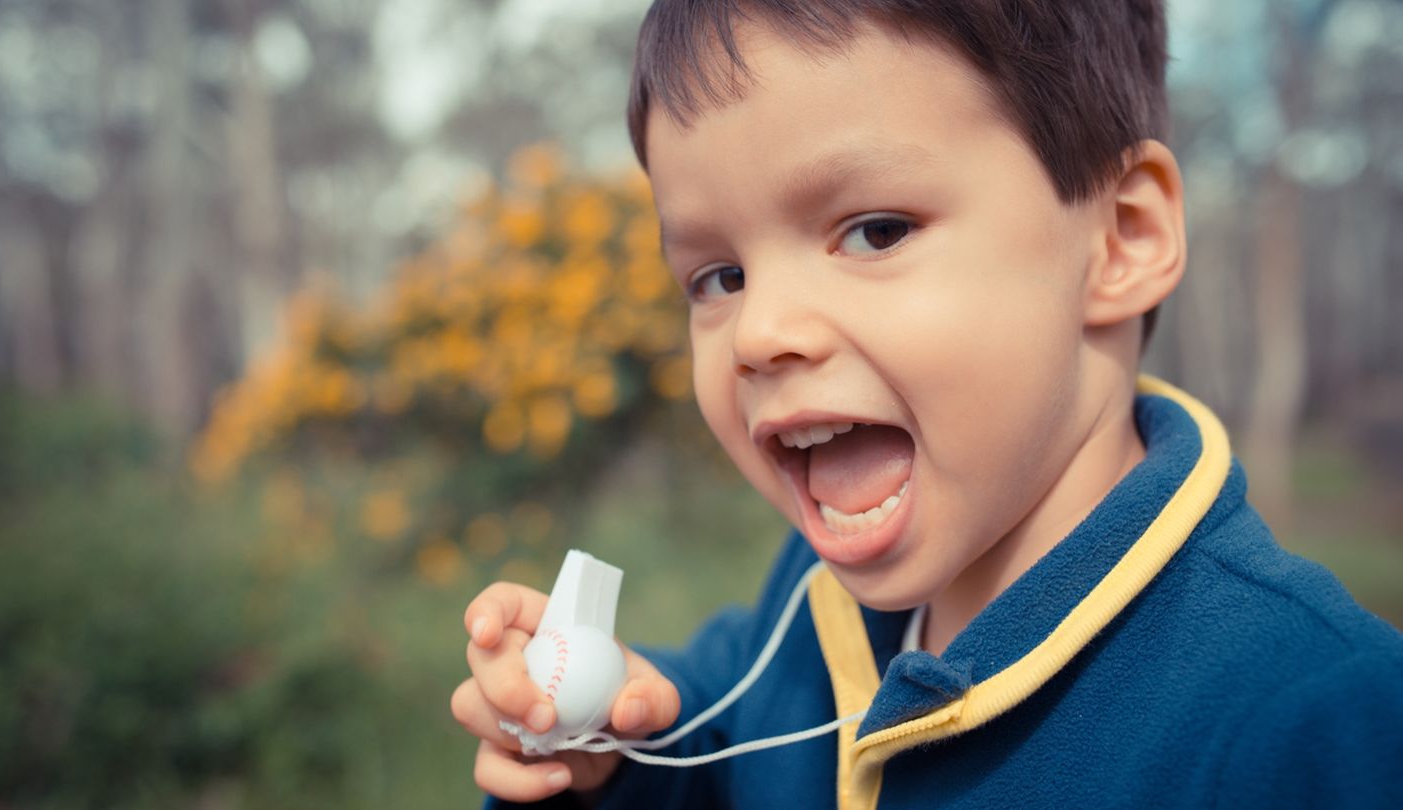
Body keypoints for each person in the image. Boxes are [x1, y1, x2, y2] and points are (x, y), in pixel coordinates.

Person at [450, 1, 1403, 807]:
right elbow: (712, 737)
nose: (757, 333)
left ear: (1121, 238)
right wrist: (609, 761)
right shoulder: (808, 609)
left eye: (873, 231)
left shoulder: (1318, 725)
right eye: (718, 276)